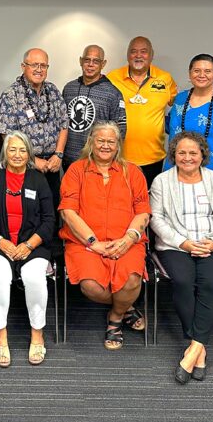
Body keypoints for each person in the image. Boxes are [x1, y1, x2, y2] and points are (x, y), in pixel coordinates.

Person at [149, 131, 213, 384]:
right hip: (175, 245)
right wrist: (184, 243)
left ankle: (193, 350)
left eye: (193, 153)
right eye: (182, 152)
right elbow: (157, 220)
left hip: (212, 244)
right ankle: (200, 348)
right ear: (174, 155)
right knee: (184, 282)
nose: (187, 158)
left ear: (202, 155)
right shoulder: (162, 182)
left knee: (210, 284)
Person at [59, 121, 150, 350]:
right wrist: (93, 243)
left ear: (118, 145)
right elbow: (68, 212)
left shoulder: (133, 172)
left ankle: (116, 318)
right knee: (91, 286)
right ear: (91, 142)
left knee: (130, 280)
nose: (106, 146)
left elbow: (143, 212)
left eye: (111, 141)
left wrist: (129, 238)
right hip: (85, 242)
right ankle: (127, 305)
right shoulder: (76, 170)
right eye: (101, 140)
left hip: (126, 241)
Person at [0, 132, 54, 367]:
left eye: (22, 150)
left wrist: (29, 245)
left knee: (34, 277)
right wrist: (2, 242)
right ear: (4, 154)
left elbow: (50, 220)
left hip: (33, 245)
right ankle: (0, 335)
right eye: (12, 150)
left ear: (29, 154)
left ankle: (37, 333)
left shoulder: (39, 181)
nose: (17, 155)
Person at [0, 48, 68, 213]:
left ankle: (49, 240)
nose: (39, 69)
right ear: (23, 66)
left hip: (52, 165)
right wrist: (34, 161)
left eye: (43, 65)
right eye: (34, 65)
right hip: (23, 167)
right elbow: (6, 135)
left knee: (51, 210)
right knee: (28, 213)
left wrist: (58, 155)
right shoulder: (11, 94)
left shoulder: (53, 91)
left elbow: (64, 124)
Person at [107, 36, 178, 187]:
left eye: (143, 52)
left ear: (151, 55)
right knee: (121, 205)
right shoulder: (112, 78)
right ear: (127, 55)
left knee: (150, 205)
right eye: (133, 51)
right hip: (117, 157)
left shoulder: (165, 79)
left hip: (154, 158)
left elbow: (180, 107)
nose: (138, 55)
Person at [166, 54, 213, 181]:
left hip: (211, 174)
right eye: (197, 71)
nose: (202, 75)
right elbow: (171, 128)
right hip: (175, 171)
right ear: (189, 73)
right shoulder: (180, 99)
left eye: (207, 71)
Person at [61, 44, 126, 168]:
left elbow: (120, 130)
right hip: (69, 159)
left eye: (96, 61)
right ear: (81, 61)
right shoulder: (69, 89)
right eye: (87, 60)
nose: (90, 64)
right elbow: (61, 122)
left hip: (97, 162)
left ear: (103, 64)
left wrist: (109, 159)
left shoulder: (113, 93)